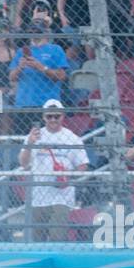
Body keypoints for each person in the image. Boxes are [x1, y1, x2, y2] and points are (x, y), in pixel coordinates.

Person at [20, 100, 89, 241]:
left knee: (58, 237)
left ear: (62, 116)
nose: (52, 119)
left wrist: (68, 175)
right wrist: (29, 144)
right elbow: (24, 164)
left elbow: (83, 165)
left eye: (56, 116)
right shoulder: (34, 137)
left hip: (62, 196)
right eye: (49, 116)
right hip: (38, 196)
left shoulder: (72, 138)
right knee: (37, 240)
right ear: (43, 117)